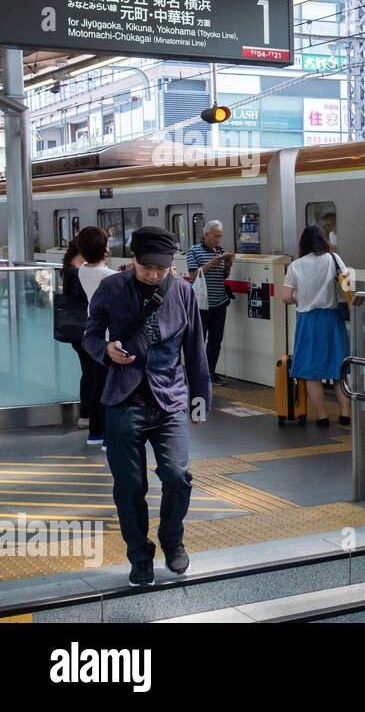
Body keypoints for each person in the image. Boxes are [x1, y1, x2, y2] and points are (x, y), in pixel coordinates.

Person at [84, 227, 210, 587]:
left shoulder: (182, 292)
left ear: (171, 265)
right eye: (145, 267)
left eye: (160, 268)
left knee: (177, 476)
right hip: (124, 400)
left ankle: (173, 540)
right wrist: (106, 351)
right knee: (129, 486)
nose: (153, 274)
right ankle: (140, 556)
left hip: (169, 398)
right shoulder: (111, 289)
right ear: (133, 260)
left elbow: (196, 350)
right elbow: (90, 335)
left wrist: (200, 400)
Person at [278, 225, 352, 427]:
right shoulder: (334, 259)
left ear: (303, 243)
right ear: (323, 241)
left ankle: (322, 416)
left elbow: (284, 296)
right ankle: (345, 413)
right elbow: (347, 287)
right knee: (338, 368)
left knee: (311, 372)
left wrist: (300, 299)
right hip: (332, 318)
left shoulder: (296, 266)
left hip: (308, 320)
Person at [71, 227, 113, 447]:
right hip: (109, 340)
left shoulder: (82, 270)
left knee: (97, 385)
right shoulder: (109, 277)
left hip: (92, 336)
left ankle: (95, 433)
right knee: (110, 387)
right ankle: (108, 436)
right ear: (105, 249)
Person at [186, 220, 235, 385]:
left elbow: (221, 277)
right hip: (200, 304)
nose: (218, 240)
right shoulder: (193, 251)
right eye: (215, 236)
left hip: (219, 302)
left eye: (220, 237)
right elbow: (193, 275)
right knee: (199, 339)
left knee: (216, 339)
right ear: (206, 234)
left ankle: (210, 372)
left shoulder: (219, 251)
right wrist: (211, 263)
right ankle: (196, 372)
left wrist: (227, 265)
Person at [58, 239, 94, 436]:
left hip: (80, 330)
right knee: (90, 372)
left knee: (88, 371)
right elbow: (84, 296)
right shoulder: (75, 273)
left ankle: (86, 413)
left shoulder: (72, 270)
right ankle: (86, 414)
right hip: (82, 329)